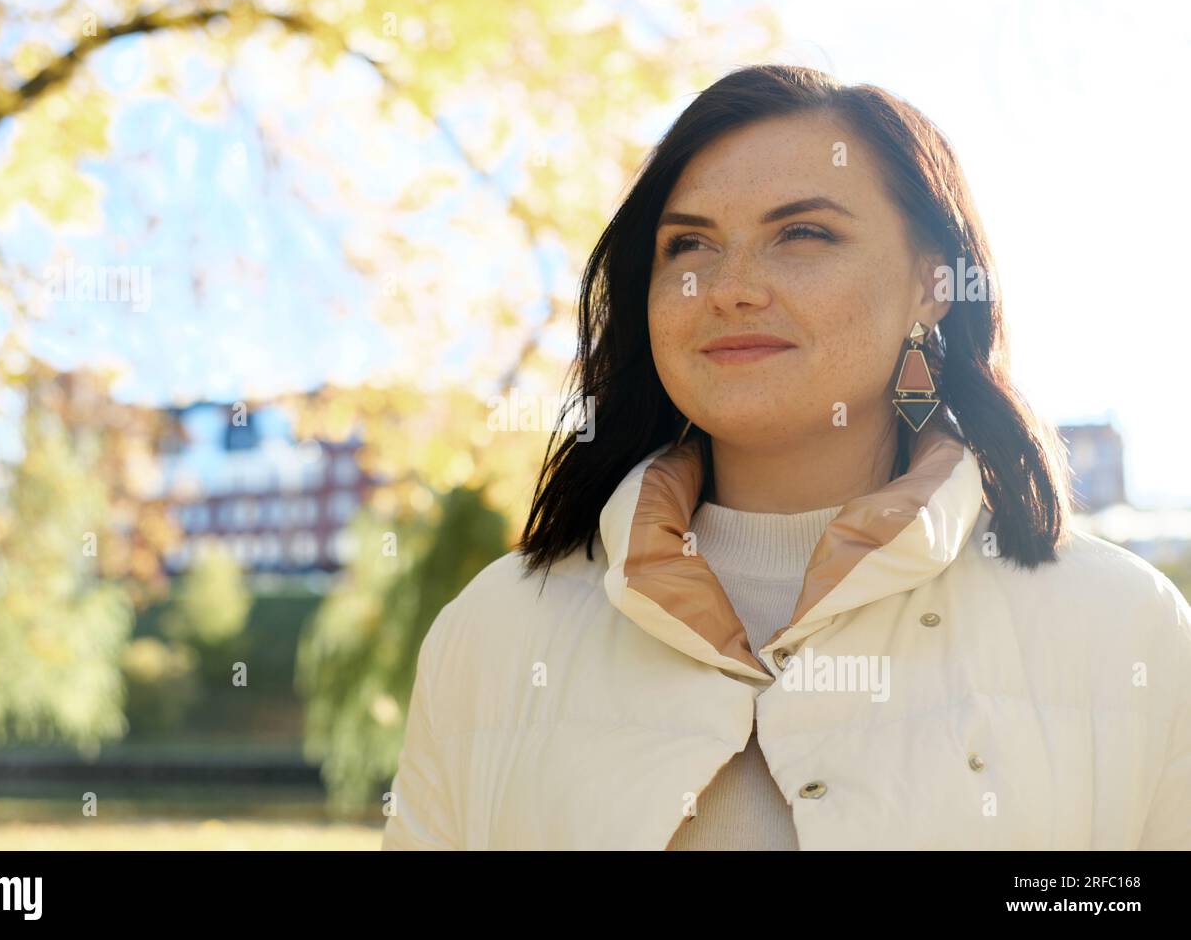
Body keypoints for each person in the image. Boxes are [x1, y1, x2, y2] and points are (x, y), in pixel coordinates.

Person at [380, 64, 1191, 850]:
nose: (730, 288)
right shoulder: (493, 635)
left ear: (931, 284)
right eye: (689, 246)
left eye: (803, 233)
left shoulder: (1129, 632)